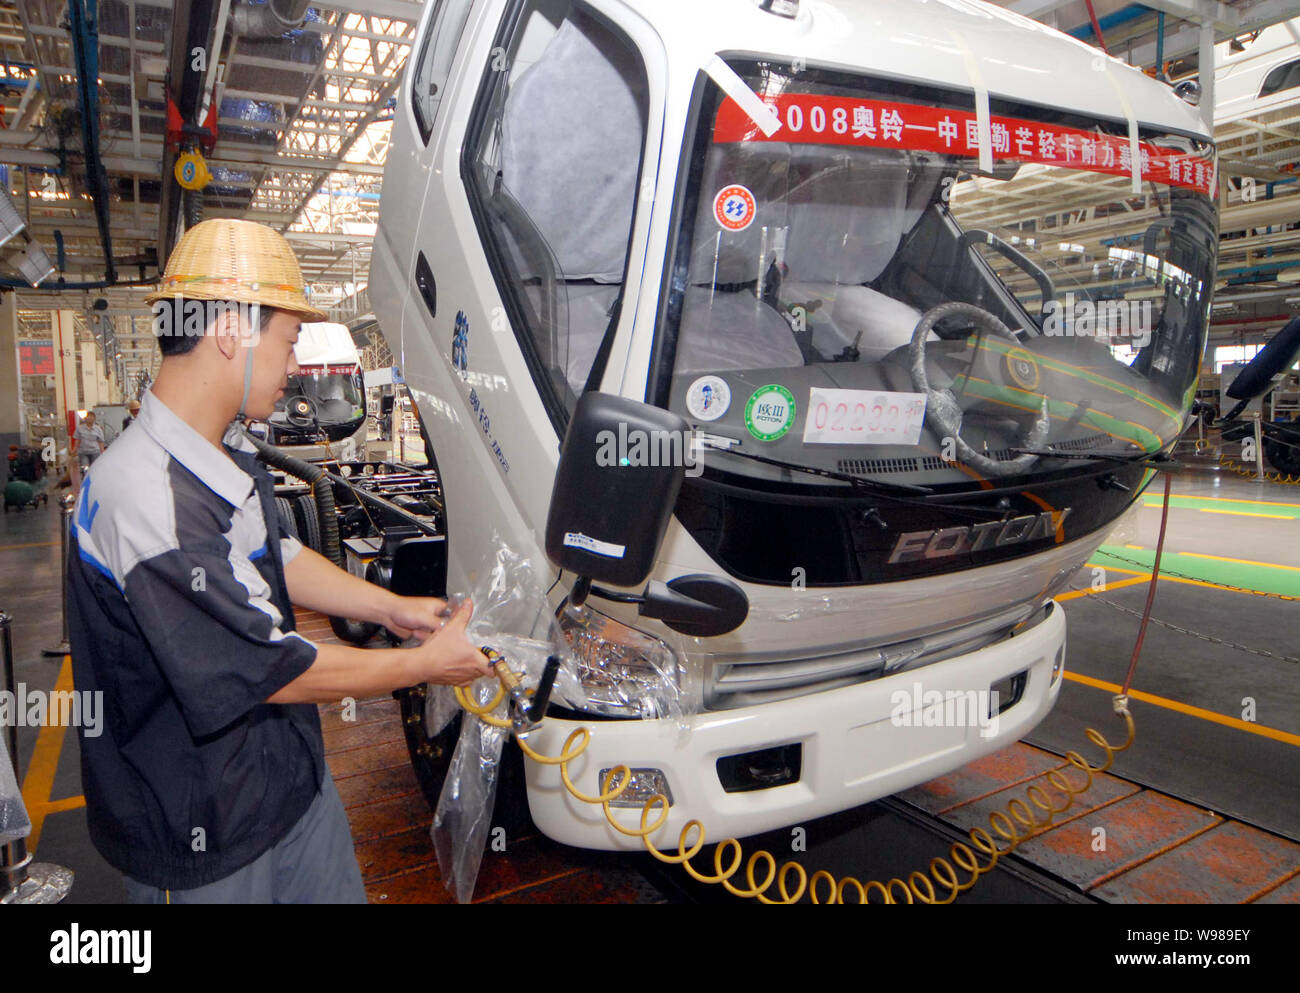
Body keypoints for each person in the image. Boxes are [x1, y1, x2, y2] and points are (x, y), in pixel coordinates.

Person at [65, 218, 493, 904]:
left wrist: (394, 607)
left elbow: (276, 553)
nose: (293, 363)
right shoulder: (142, 497)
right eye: (288, 340)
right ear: (231, 330)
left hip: (290, 783)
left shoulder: (218, 449)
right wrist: (426, 664)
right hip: (202, 832)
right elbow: (264, 666)